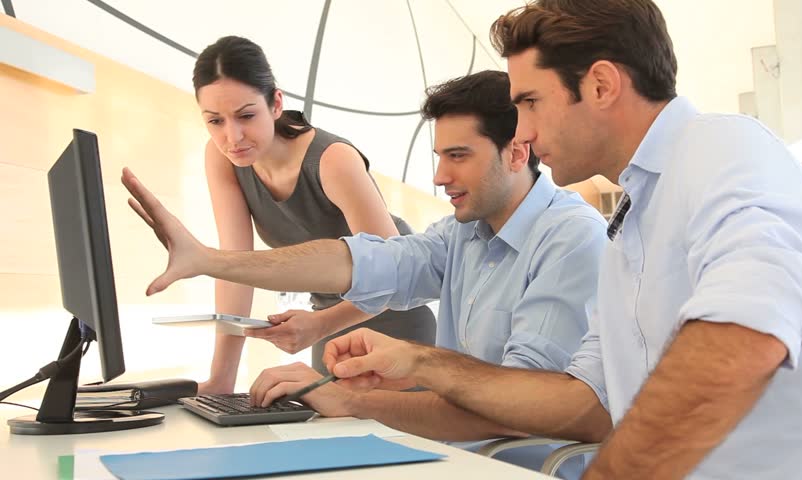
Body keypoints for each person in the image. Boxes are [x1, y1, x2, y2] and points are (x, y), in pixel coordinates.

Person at [315, 1, 802, 479]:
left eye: (530, 102)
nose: (521, 132)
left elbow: (744, 335)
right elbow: (587, 404)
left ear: (600, 85)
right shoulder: (632, 222)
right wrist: (420, 363)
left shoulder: (723, 148)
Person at [121, 70, 607, 478]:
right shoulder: (463, 233)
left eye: (458, 156)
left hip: (516, 469)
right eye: (439, 156)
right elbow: (365, 261)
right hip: (459, 458)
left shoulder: (571, 238)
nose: (440, 176)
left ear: (517, 153)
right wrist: (211, 260)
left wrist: (352, 398)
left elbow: (520, 409)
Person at [190, 36, 435, 393]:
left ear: (275, 103)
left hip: (392, 318)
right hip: (327, 326)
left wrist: (321, 324)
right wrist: (222, 380)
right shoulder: (221, 158)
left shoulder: (333, 159)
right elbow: (234, 270)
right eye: (215, 121)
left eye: (246, 116)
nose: (232, 137)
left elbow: (396, 276)